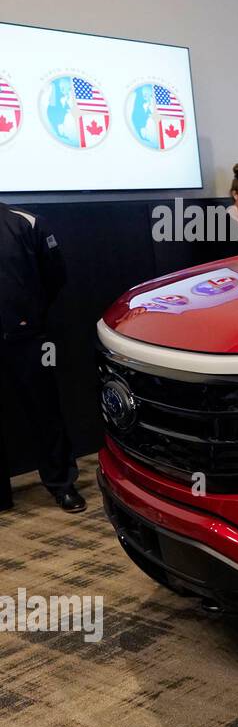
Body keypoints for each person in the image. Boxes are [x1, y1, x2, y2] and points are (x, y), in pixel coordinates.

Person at [0, 200, 84, 513]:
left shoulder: (26, 222)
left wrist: (30, 313)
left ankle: (62, 485)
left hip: (27, 338)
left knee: (44, 412)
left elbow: (54, 275)